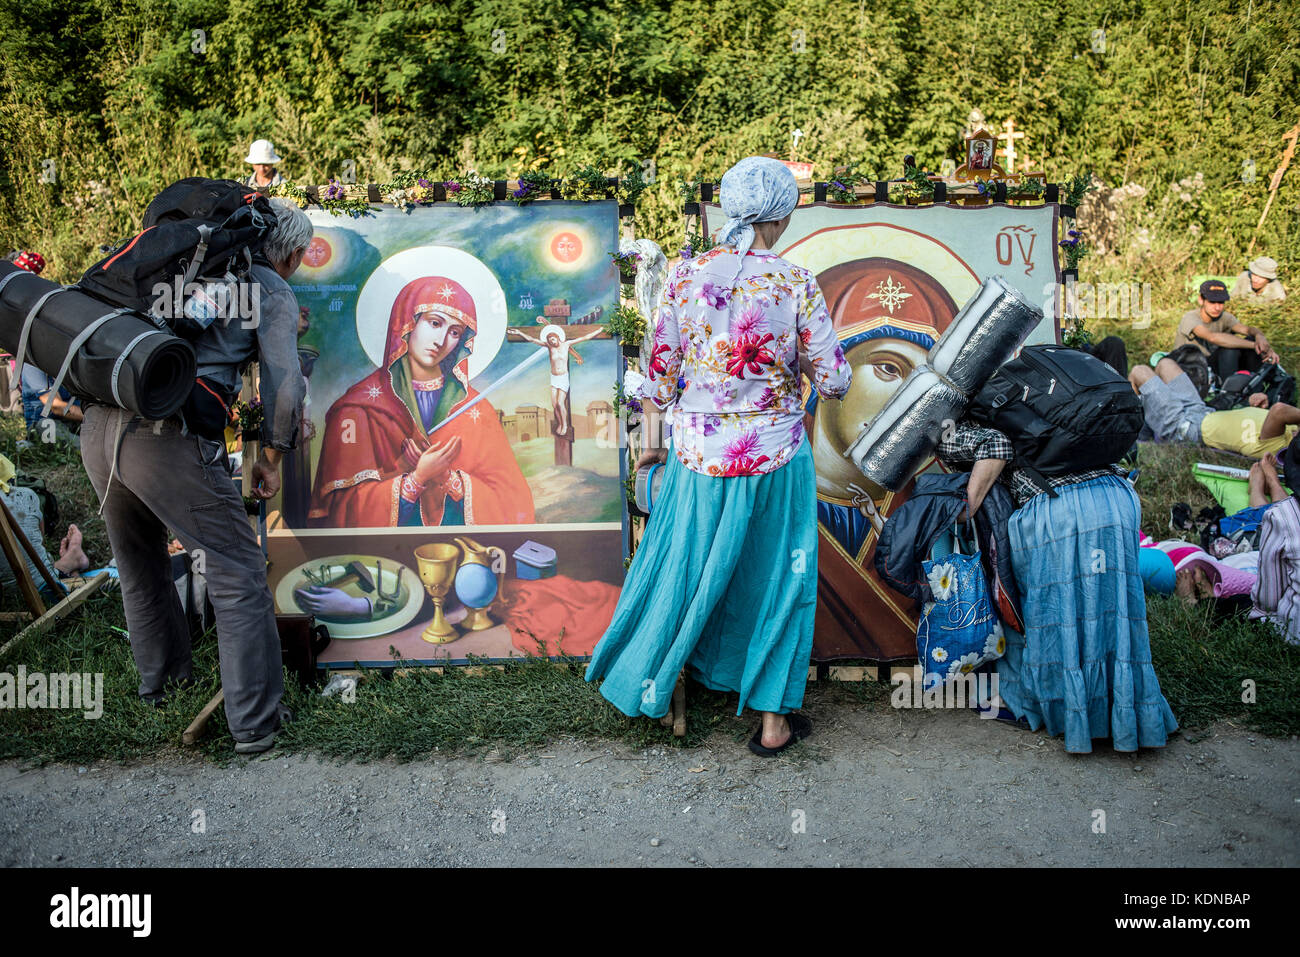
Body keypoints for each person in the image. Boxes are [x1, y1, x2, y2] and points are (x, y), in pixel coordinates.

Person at [585, 156, 852, 756]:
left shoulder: (684, 279)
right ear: (780, 215)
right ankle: (773, 722)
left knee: (685, 571)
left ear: (732, 208)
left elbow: (655, 382)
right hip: (779, 455)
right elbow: (834, 381)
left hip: (699, 456)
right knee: (782, 580)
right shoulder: (796, 282)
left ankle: (652, 680)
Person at [79, 197, 311, 753]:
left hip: (99, 428)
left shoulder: (182, 267)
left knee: (140, 565)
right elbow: (287, 387)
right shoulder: (270, 288)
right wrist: (271, 459)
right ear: (294, 254)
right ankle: (256, 724)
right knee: (237, 571)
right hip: (166, 440)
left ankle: (161, 686)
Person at [935, 422, 1179, 753]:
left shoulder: (976, 413)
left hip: (1059, 512)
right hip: (1118, 501)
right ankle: (1126, 716)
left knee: (1048, 613)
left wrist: (967, 506)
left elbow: (997, 446)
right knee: (1113, 611)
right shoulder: (1056, 395)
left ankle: (1062, 712)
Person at [308, 276, 535, 527]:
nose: (441, 341)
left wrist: (448, 478)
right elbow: (343, 511)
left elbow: (511, 502)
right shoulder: (357, 409)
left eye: (455, 332)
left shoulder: (476, 409)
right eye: (434, 323)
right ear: (407, 323)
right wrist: (416, 479)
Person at [1129, 357, 1299, 458]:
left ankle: (1127, 434)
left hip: (1186, 430)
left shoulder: (1279, 448)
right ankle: (1148, 420)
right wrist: (1256, 405)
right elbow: (1263, 419)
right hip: (1203, 412)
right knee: (1165, 364)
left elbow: (1279, 411)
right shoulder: (1289, 429)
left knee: (1139, 372)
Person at [1174, 279, 1278, 381]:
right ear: (1201, 300)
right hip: (1191, 365)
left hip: (1214, 365)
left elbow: (1247, 330)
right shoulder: (1191, 318)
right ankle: (1228, 393)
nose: (1217, 308)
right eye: (1212, 302)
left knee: (1251, 339)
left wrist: (1260, 337)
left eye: (1221, 303)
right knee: (1229, 349)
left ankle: (1256, 383)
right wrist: (1255, 346)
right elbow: (1212, 337)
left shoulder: (1225, 317)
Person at [1251, 440, 1300, 643]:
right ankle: (1271, 482)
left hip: (1294, 635)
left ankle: (1265, 484)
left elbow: (1267, 599)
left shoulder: (1280, 516)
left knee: (1231, 605)